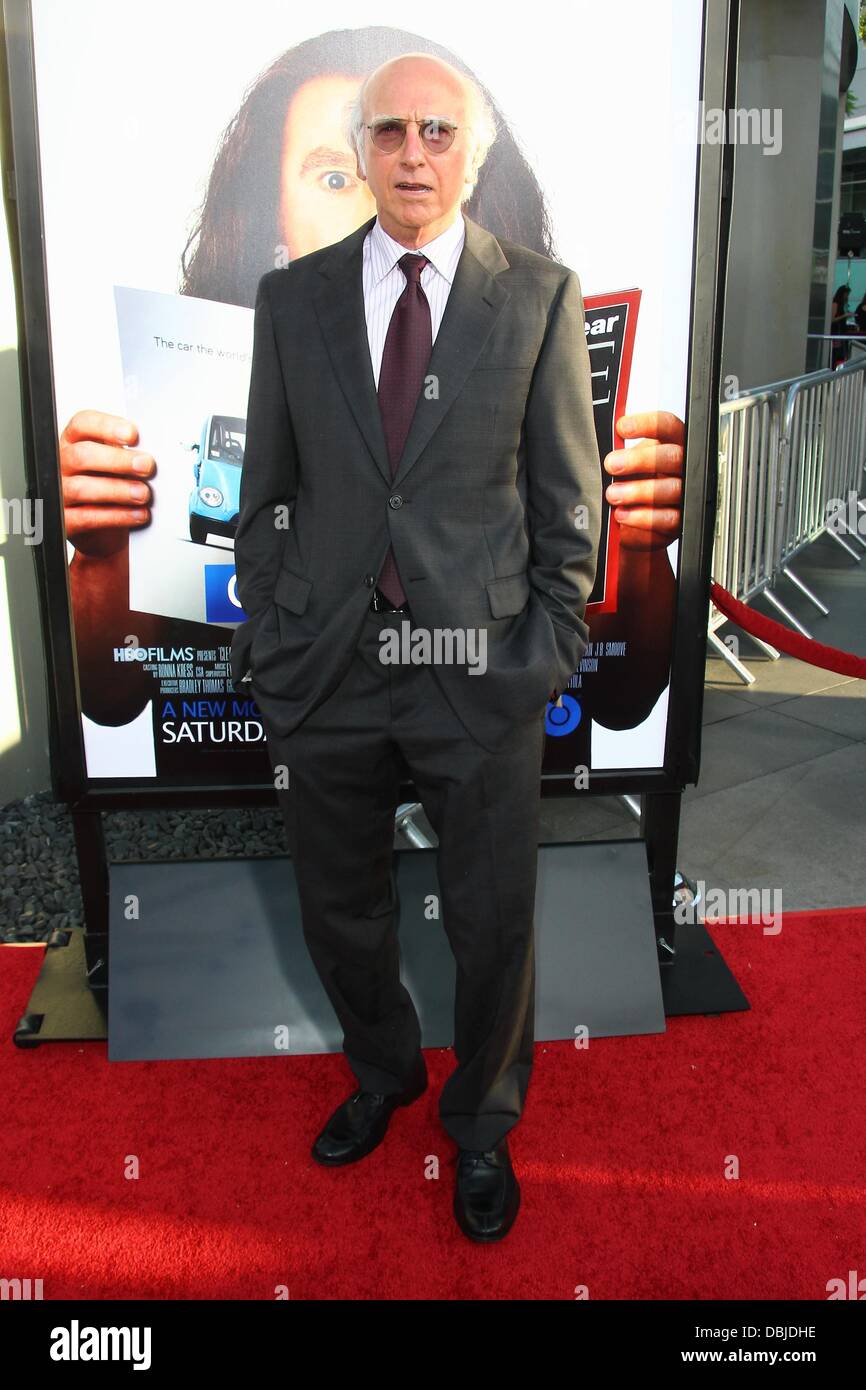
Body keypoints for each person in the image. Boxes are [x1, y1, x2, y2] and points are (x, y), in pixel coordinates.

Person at [58, 24, 684, 762]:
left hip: (480, 700)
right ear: (271, 223)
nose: (388, 180)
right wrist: (104, 555)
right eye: (335, 174)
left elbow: (621, 698)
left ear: (474, 178)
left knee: (488, 882)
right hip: (322, 698)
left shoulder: (537, 323)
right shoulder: (217, 371)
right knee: (333, 882)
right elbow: (109, 695)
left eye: (433, 138)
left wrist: (637, 552)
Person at [233, 51, 602, 1242]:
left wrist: (535, 651)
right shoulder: (294, 300)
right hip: (329, 666)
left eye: (435, 132)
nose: (410, 154)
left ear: (471, 152)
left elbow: (568, 509)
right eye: (388, 131)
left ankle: (483, 1124)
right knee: (340, 909)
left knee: (492, 919)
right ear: (366, 147)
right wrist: (276, 622)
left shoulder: (539, 295)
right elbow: (264, 492)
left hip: (478, 671)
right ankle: (382, 1072)